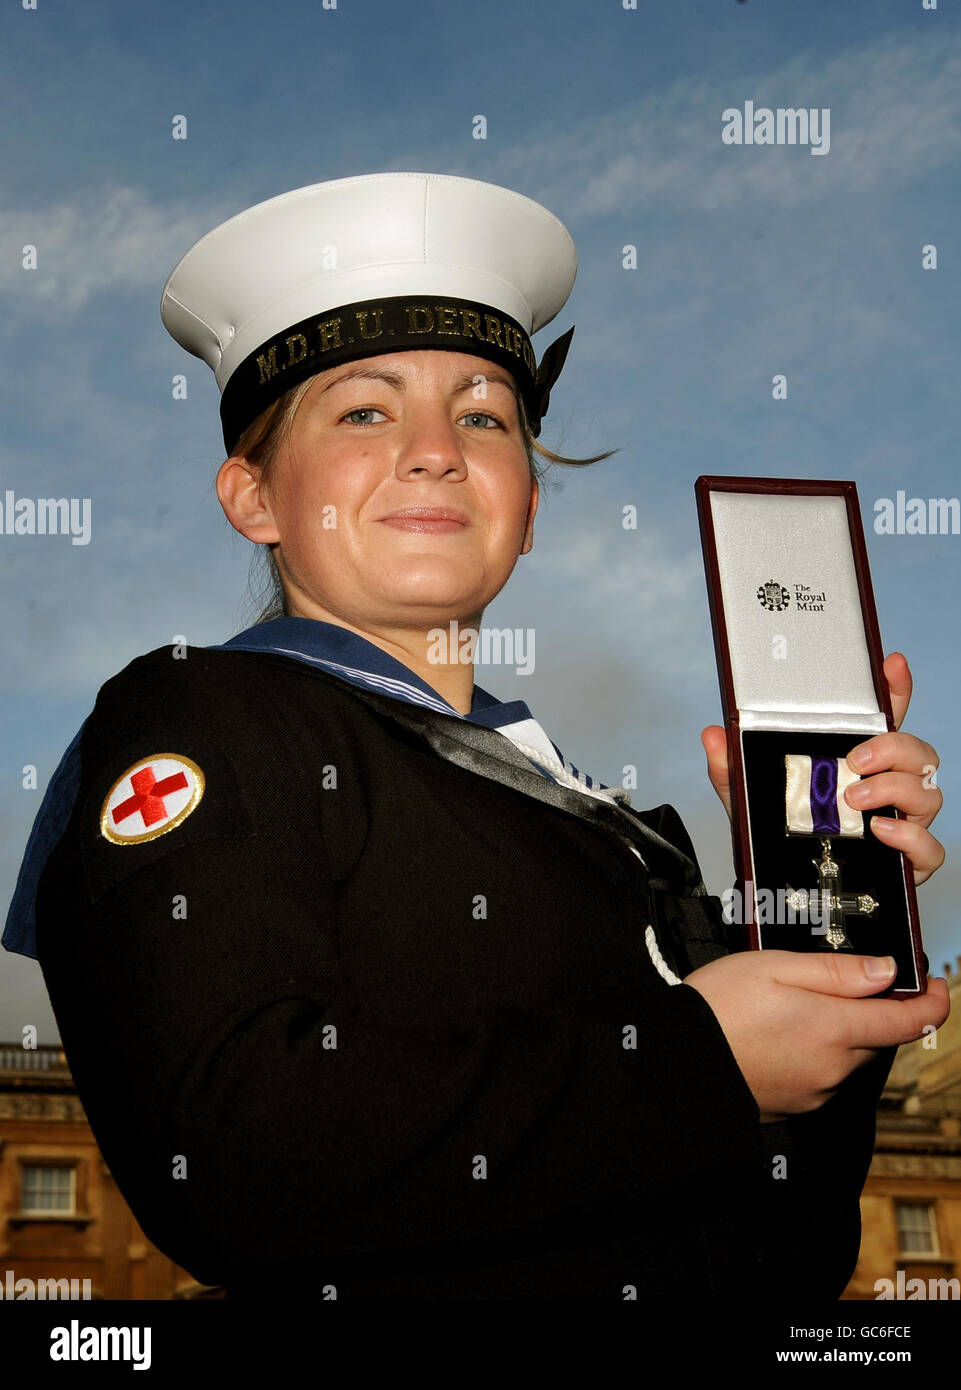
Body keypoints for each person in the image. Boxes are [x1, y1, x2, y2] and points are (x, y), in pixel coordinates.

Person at [2, 172, 949, 1301]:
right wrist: (699, 1058)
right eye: (364, 409)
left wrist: (818, 889)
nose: (435, 449)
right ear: (253, 497)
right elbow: (227, 1148)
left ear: (529, 507)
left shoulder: (628, 836)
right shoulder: (198, 710)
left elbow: (784, 1244)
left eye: (485, 415)